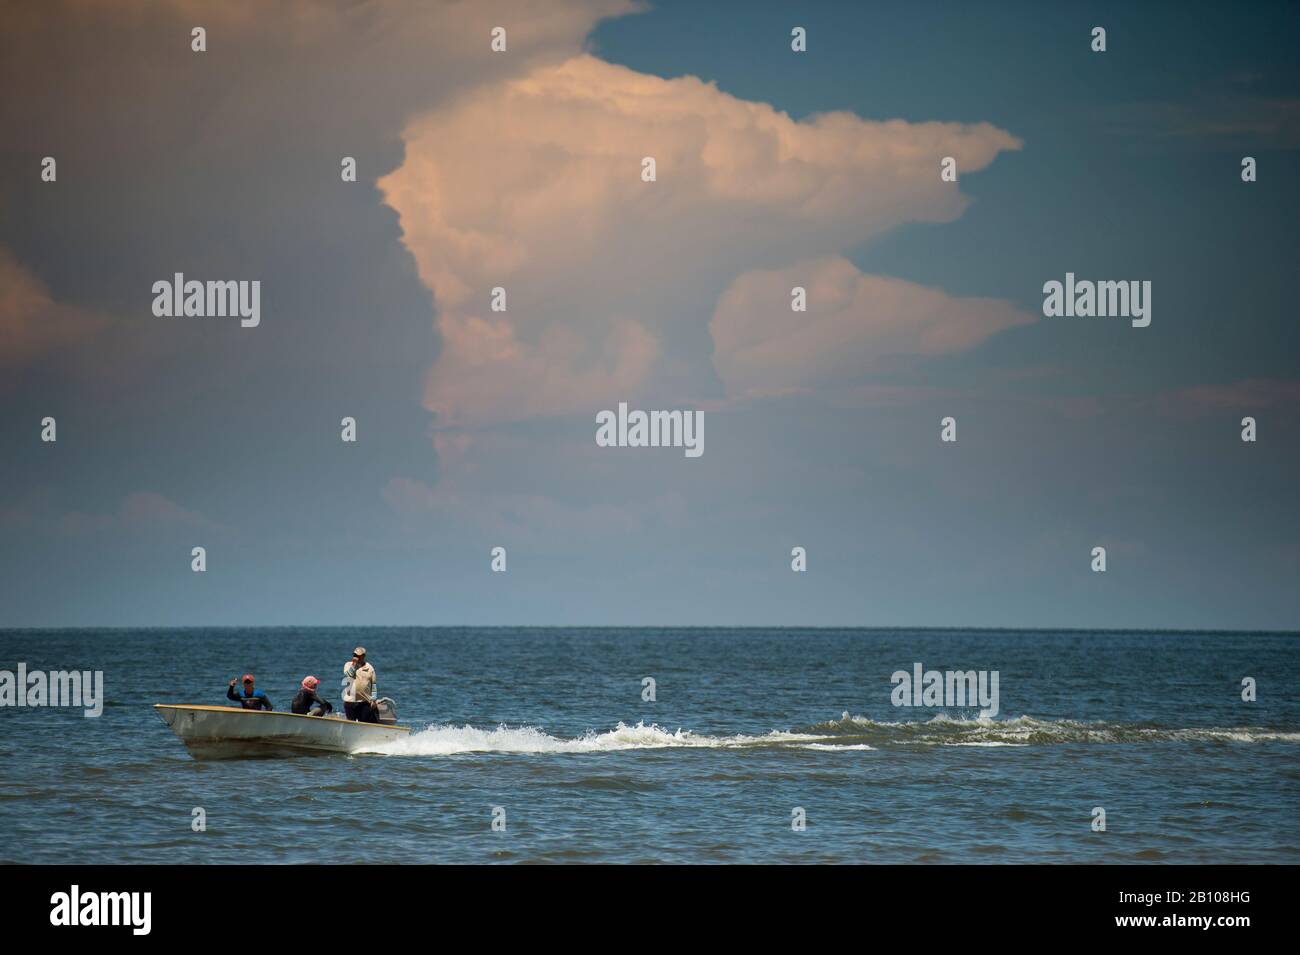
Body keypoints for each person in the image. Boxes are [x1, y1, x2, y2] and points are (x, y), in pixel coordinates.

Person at [342, 647, 378, 723]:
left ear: (363, 656)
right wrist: (354, 665)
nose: (356, 657)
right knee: (351, 724)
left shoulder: (370, 668)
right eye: (354, 655)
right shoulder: (348, 665)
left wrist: (374, 699)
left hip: (364, 702)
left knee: (364, 723)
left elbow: (373, 685)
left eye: (358, 656)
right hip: (349, 701)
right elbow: (349, 675)